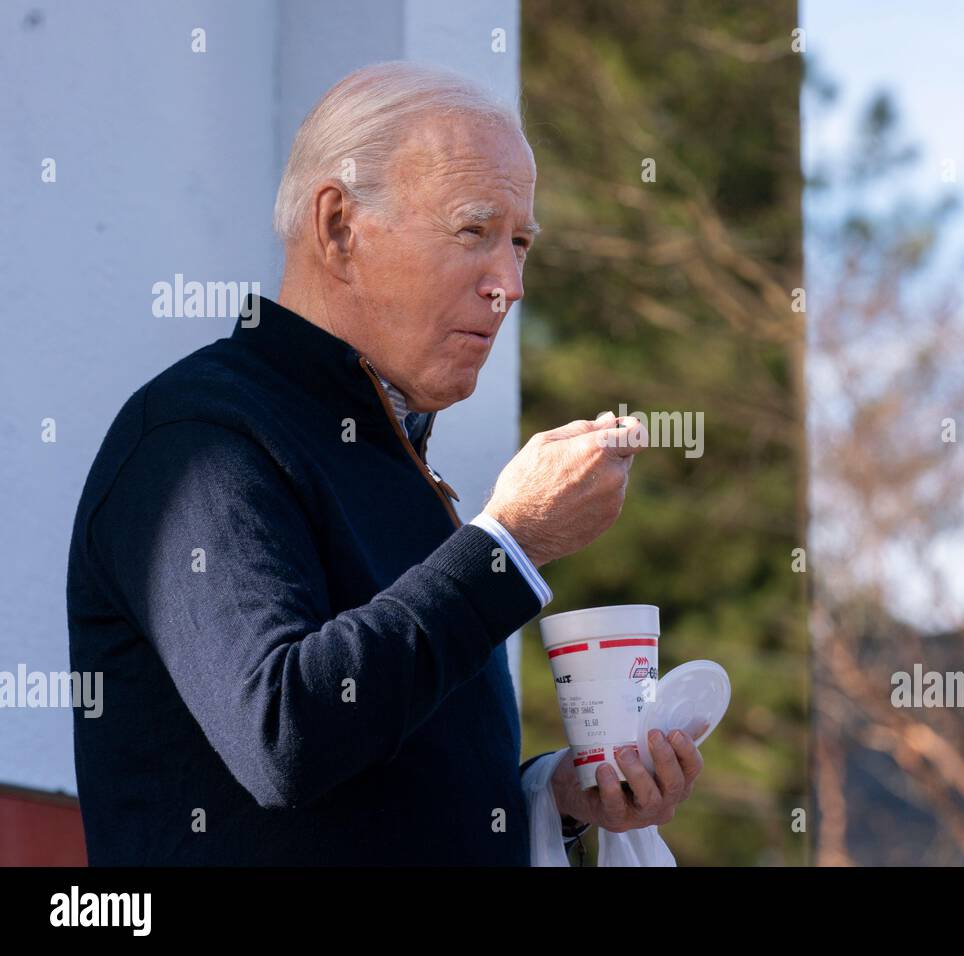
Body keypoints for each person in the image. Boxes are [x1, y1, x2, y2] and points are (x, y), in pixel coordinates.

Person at [66, 61, 702, 865]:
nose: (509, 285)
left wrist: (558, 799)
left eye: (521, 243)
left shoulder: (394, 453)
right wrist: (509, 543)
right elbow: (284, 732)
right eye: (473, 231)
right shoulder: (199, 433)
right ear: (338, 228)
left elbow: (383, 795)